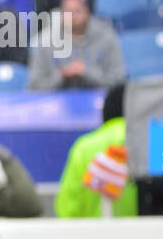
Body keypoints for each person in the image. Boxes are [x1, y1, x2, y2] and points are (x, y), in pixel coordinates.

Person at [56, 83, 138, 217]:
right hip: (147, 236)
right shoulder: (155, 143)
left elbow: (67, 210)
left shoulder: (83, 147)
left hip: (89, 236)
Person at [27, 0, 127, 89]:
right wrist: (61, 75)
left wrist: (87, 72)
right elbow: (34, 86)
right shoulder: (45, 40)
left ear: (88, 12)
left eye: (77, 11)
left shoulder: (106, 37)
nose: (72, 16)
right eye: (67, 11)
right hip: (57, 102)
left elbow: (119, 81)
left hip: (98, 101)